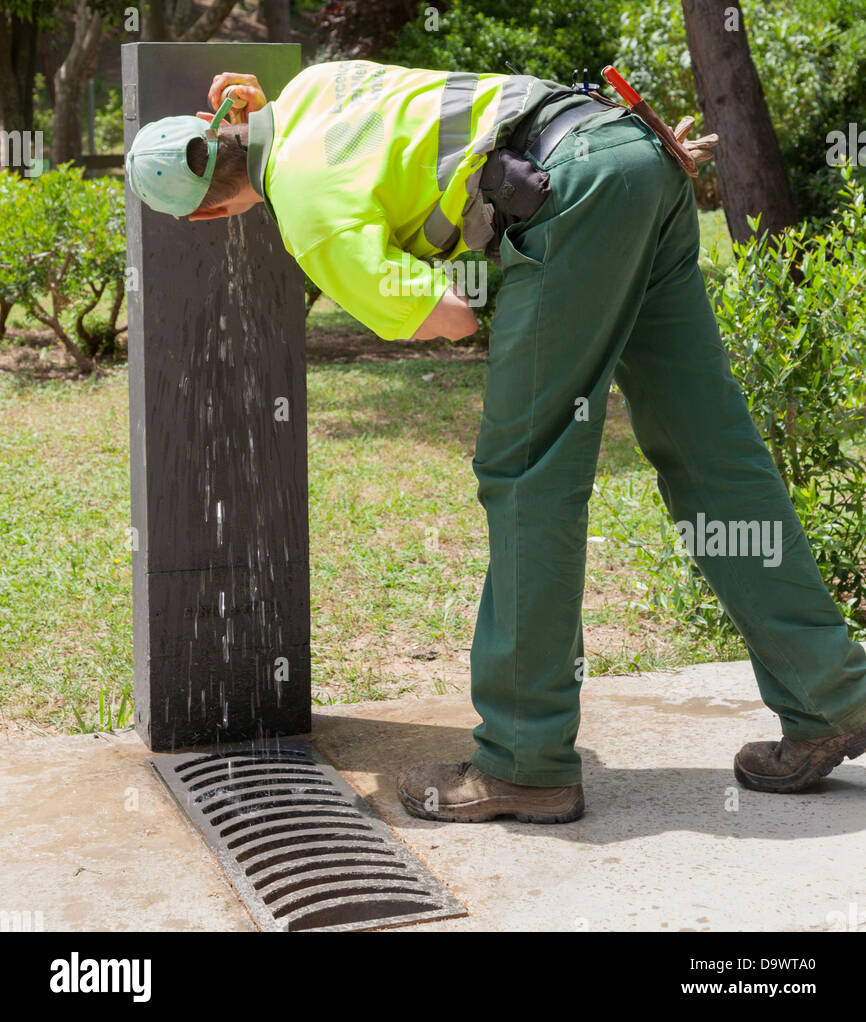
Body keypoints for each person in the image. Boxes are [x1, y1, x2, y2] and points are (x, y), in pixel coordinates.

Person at [126, 59, 866, 823]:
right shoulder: (316, 83)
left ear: (207, 216)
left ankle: (523, 761)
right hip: (634, 154)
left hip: (567, 201)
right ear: (227, 122)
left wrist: (427, 278)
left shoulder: (310, 217)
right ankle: (831, 696)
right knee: (711, 450)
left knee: (527, 473)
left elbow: (453, 315)